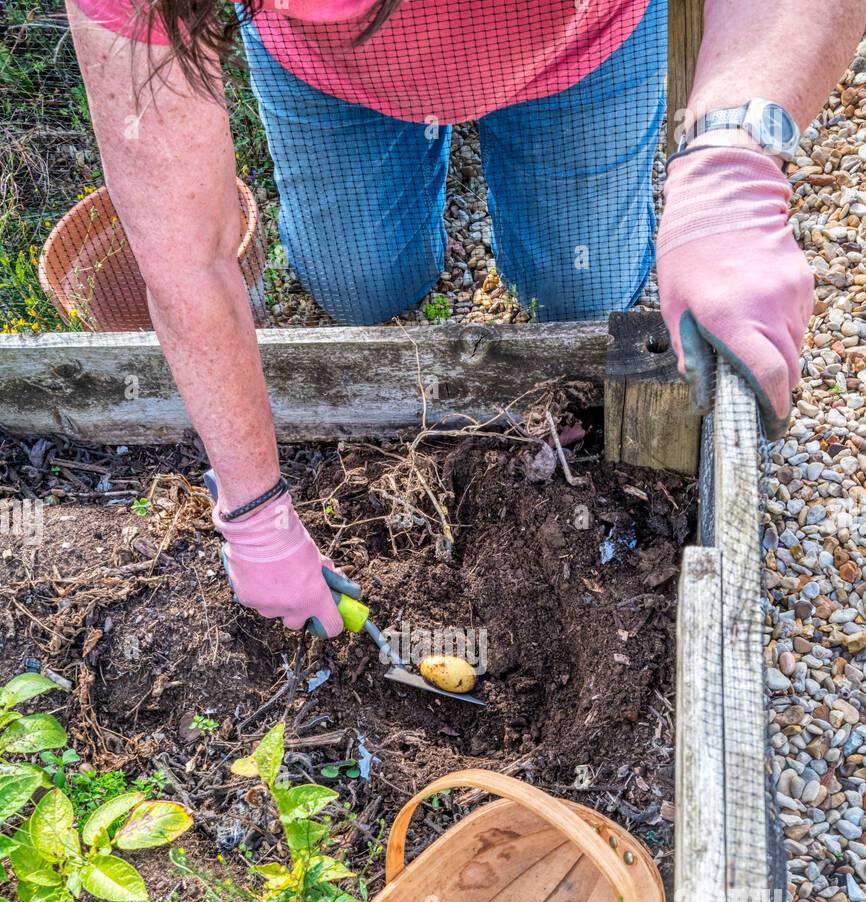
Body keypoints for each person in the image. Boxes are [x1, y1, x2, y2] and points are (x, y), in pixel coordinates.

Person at [66, 0, 865, 633]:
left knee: (581, 304)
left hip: (577, 45)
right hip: (332, 85)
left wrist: (733, 154)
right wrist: (251, 509)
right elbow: (187, 260)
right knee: (361, 294)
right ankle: (414, 160)